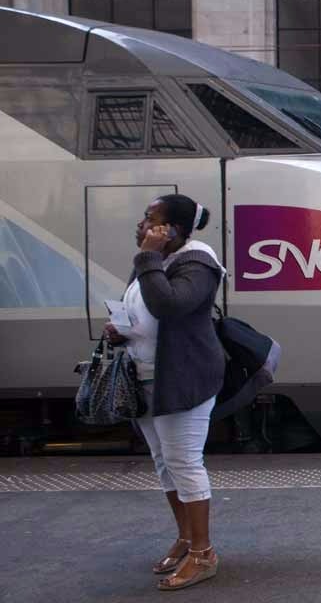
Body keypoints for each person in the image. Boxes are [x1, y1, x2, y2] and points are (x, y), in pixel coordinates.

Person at [104, 194, 225, 591]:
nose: (142, 225)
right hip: (146, 377)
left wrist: (147, 258)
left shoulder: (197, 263)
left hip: (182, 377)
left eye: (150, 218)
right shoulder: (157, 259)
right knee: (164, 463)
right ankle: (186, 538)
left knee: (184, 462)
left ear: (173, 229)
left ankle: (203, 554)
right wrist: (121, 330)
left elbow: (169, 306)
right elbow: (143, 309)